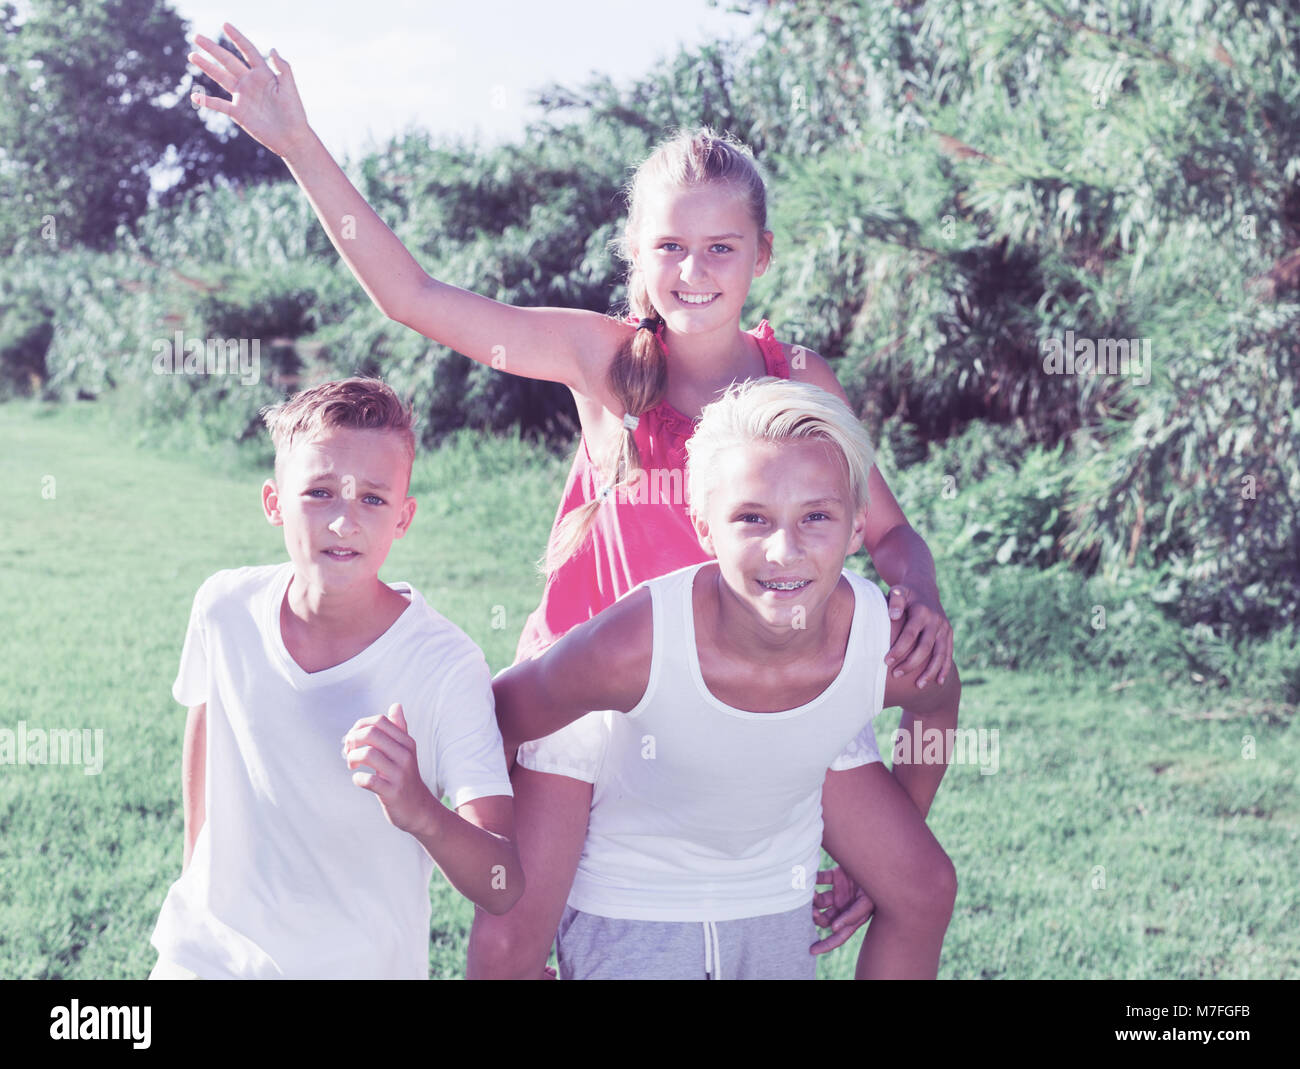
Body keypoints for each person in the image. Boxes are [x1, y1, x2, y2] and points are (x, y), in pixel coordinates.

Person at [187, 24, 955, 979]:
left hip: (747, 674)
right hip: (587, 696)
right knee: (510, 941)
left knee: (919, 883)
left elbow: (890, 531)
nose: (694, 270)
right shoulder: (601, 360)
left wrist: (918, 597)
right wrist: (298, 143)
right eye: (669, 246)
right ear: (635, 255)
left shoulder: (798, 383)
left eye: (721, 246)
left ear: (761, 252)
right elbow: (414, 296)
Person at [494, 378, 960, 979]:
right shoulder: (634, 643)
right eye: (752, 517)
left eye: (816, 516)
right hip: (633, 902)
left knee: (926, 885)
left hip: (767, 897)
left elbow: (939, 703)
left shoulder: (879, 639)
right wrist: (496, 858)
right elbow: (506, 714)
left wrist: (901, 823)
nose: (784, 549)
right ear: (704, 527)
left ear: (856, 529)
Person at [148, 378, 522, 979]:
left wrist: (419, 808)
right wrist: (196, 870)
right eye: (320, 492)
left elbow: (503, 884)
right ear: (274, 503)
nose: (345, 521)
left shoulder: (446, 665)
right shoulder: (223, 607)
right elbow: (209, 721)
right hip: (206, 959)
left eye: (373, 499)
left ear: (404, 516)